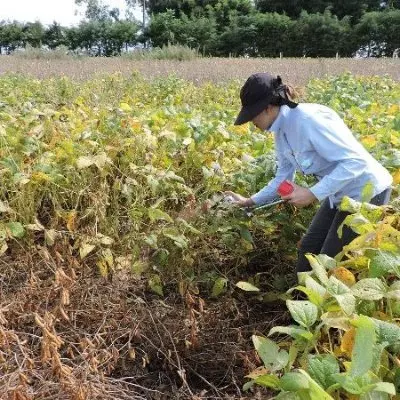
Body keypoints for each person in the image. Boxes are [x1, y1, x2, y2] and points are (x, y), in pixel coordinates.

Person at [225, 72, 392, 273]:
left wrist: (312, 193)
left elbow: (355, 162)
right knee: (309, 249)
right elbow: (283, 177)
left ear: (268, 108)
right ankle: (300, 303)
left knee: (330, 262)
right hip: (337, 194)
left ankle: (324, 302)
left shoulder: (308, 121)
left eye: (252, 115)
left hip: (366, 193)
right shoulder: (281, 131)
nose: (251, 122)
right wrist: (249, 201)